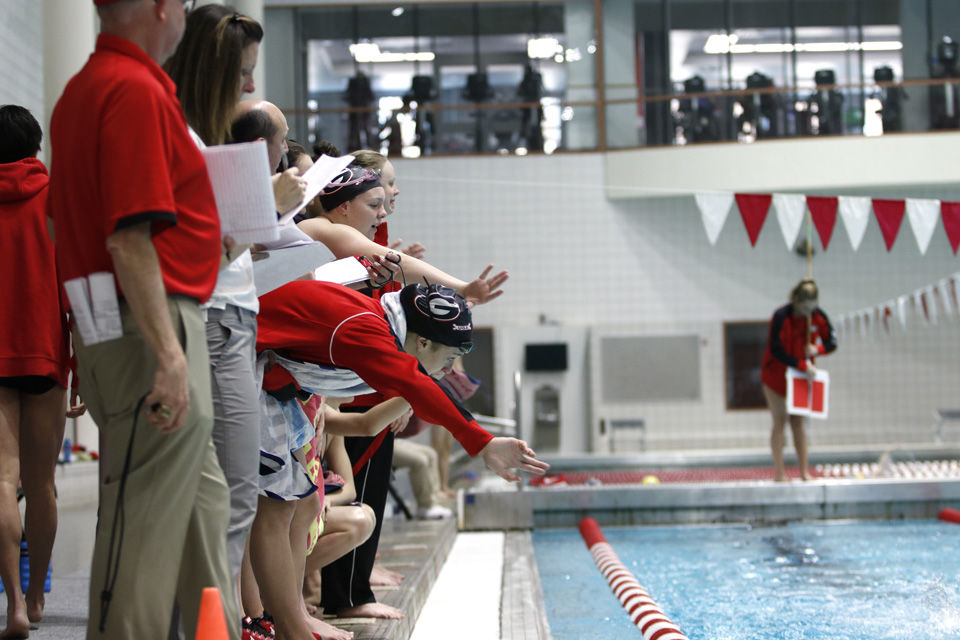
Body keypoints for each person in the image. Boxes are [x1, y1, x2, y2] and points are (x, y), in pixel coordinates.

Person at [47, 1, 238, 638]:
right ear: (162, 8)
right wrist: (170, 353)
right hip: (151, 326)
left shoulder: (83, 90)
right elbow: (129, 239)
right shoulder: (131, 91)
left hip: (119, 320)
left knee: (201, 508)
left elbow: (65, 226)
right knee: (143, 528)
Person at [255, 280, 549, 619]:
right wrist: (483, 441)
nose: (450, 369)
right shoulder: (365, 328)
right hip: (237, 368)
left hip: (263, 377)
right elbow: (413, 383)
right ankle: (276, 621)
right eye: (450, 357)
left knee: (298, 504)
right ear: (422, 340)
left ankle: (287, 618)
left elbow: (388, 404)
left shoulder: (373, 322)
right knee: (277, 509)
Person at [163, 6, 266, 617]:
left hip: (227, 317)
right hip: (214, 321)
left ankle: (212, 623)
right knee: (231, 495)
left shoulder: (201, 136)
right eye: (244, 72)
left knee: (225, 495)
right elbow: (183, 242)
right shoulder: (183, 136)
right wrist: (264, 216)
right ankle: (210, 626)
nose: (250, 87)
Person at [0, 105, 84, 639]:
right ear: (35, 146)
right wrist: (82, 367)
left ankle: (11, 602)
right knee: (42, 485)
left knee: (2, 482)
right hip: (45, 354)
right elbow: (75, 286)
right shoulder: (57, 198)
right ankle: (35, 596)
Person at [761, 278, 837, 482]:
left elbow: (832, 343)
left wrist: (817, 350)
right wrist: (802, 364)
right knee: (779, 421)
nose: (807, 312)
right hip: (776, 375)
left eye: (811, 307)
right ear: (795, 301)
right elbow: (776, 349)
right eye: (804, 307)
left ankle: (804, 471)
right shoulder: (781, 316)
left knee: (798, 424)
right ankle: (779, 472)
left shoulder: (817, 317)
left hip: (801, 378)